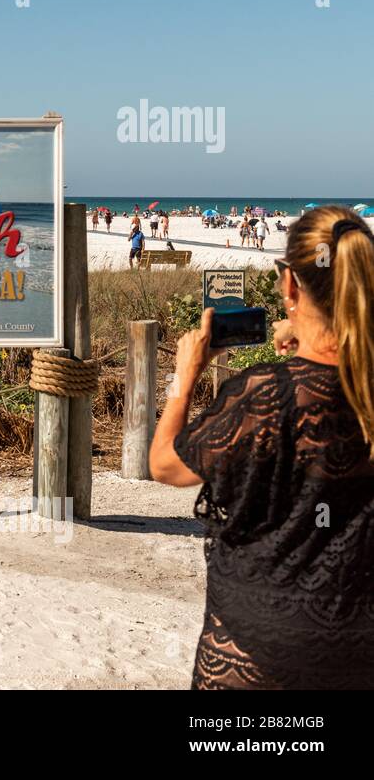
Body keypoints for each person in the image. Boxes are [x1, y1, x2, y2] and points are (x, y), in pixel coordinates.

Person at [149, 206, 374, 689]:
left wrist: (183, 381)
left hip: (253, 644)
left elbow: (166, 465)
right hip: (358, 645)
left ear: (291, 284)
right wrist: (313, 332)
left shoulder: (267, 394)